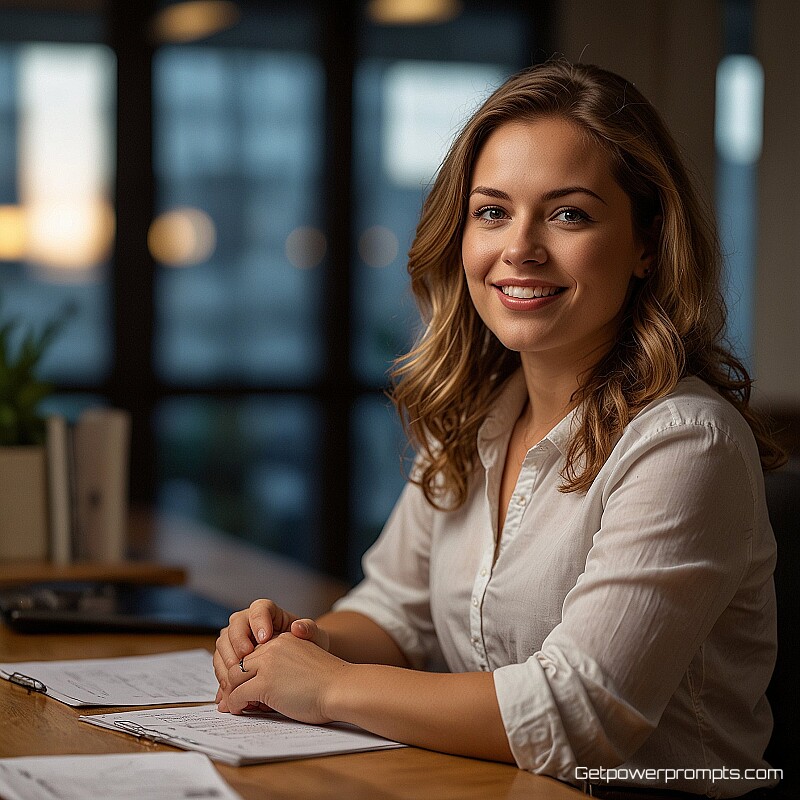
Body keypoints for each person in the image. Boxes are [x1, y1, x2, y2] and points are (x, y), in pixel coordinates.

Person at [213, 60, 785, 798]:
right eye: (492, 212)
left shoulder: (684, 443)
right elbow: (395, 611)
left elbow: (578, 714)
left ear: (647, 244)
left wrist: (328, 688)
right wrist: (298, 644)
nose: (520, 247)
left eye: (569, 213)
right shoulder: (478, 414)